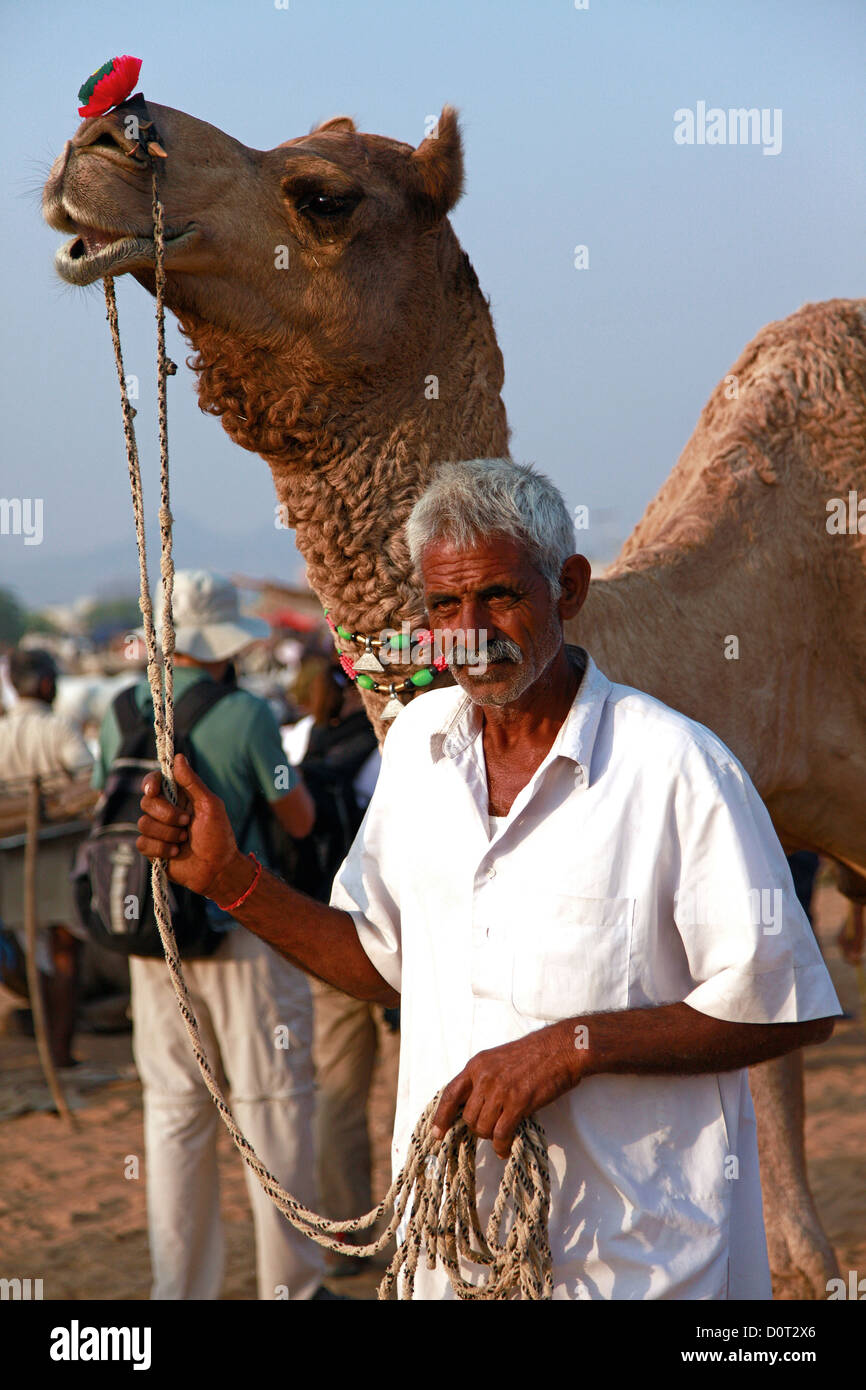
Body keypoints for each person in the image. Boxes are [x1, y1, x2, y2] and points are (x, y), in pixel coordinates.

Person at [135, 463, 841, 1301]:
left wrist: (572, 1049)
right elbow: (383, 962)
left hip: (632, 1266)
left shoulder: (676, 769)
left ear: (568, 588)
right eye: (443, 607)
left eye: (499, 597)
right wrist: (231, 881)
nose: (469, 632)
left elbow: (785, 1007)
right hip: (453, 1258)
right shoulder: (419, 748)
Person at [94, 570, 327, 1301]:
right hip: (240, 931)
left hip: (152, 936)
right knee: (273, 1106)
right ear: (224, 642)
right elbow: (300, 819)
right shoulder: (249, 715)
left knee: (173, 1115)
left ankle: (181, 1290)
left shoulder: (117, 711)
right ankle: (291, 1286)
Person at [286, 658, 396, 1274]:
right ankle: (419, 1227)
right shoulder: (385, 752)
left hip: (327, 934)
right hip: (392, 943)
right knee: (417, 1089)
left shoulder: (299, 741)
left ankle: (347, 1243)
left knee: (338, 1091)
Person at [0, 648, 93, 1067]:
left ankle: (48, 1046)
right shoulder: (57, 729)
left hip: (11, 864)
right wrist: (61, 802)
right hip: (57, 857)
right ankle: (59, 1051)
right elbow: (91, 779)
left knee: (33, 951)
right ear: (44, 684)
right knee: (63, 953)